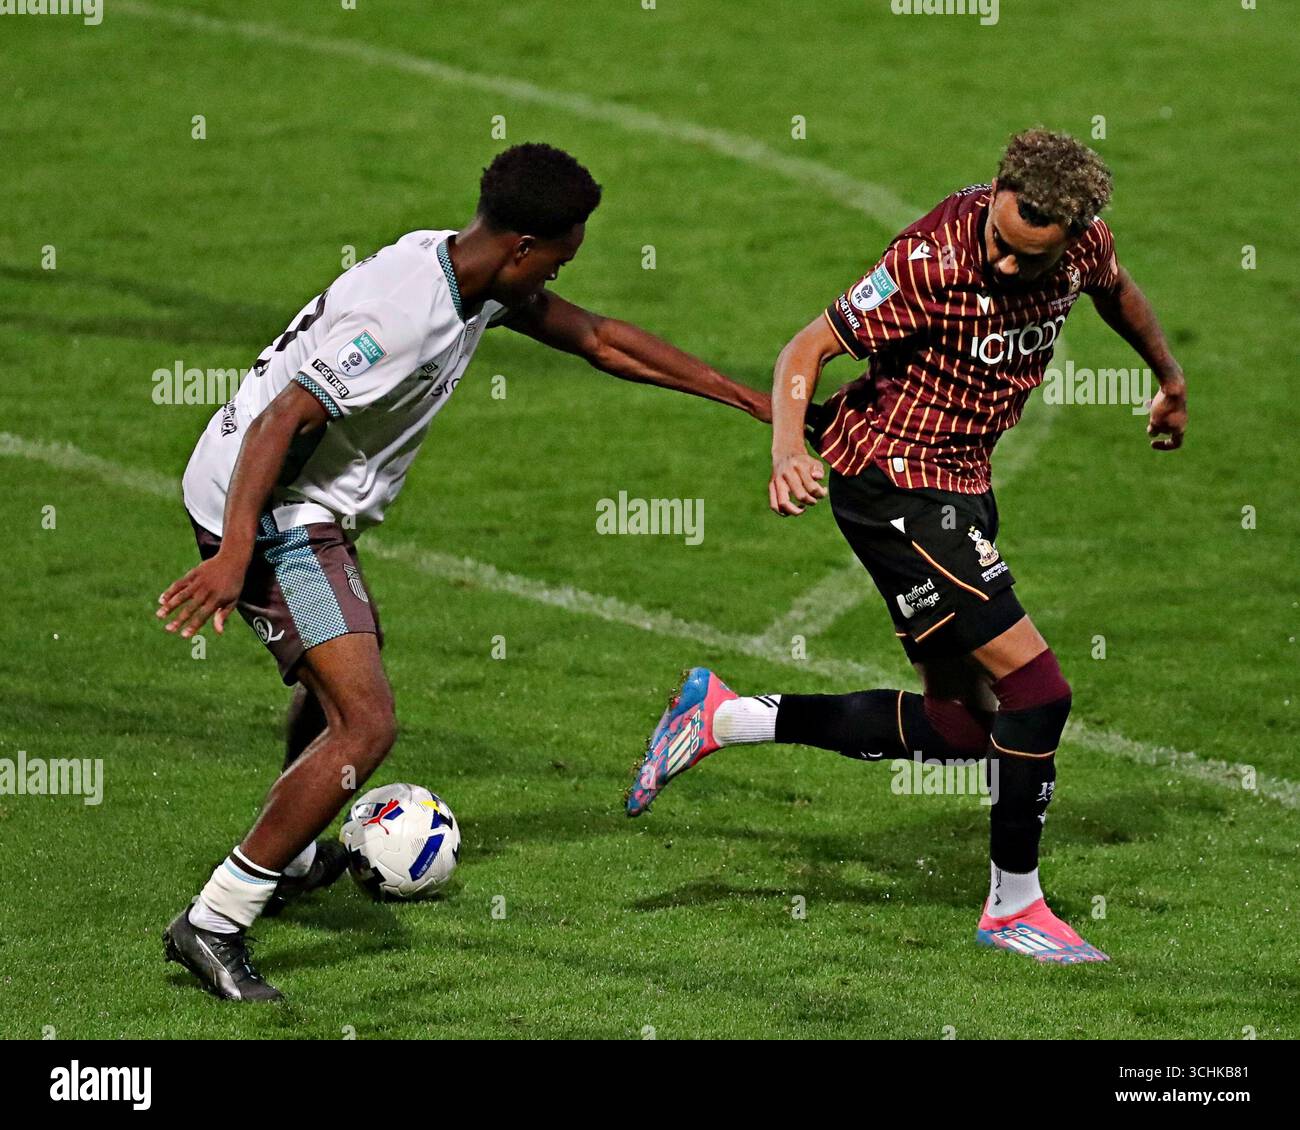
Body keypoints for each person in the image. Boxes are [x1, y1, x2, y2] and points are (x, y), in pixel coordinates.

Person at [627, 128, 1188, 964]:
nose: (1005, 268)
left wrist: (1167, 376)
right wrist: (788, 447)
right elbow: (806, 347)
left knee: (962, 728)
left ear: (1071, 237)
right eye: (1000, 244)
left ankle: (724, 716)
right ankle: (1014, 906)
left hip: (961, 484)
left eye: (1027, 262)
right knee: (1039, 690)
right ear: (996, 190)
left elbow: (1116, 290)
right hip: (894, 483)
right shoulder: (930, 258)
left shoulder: (1082, 246)